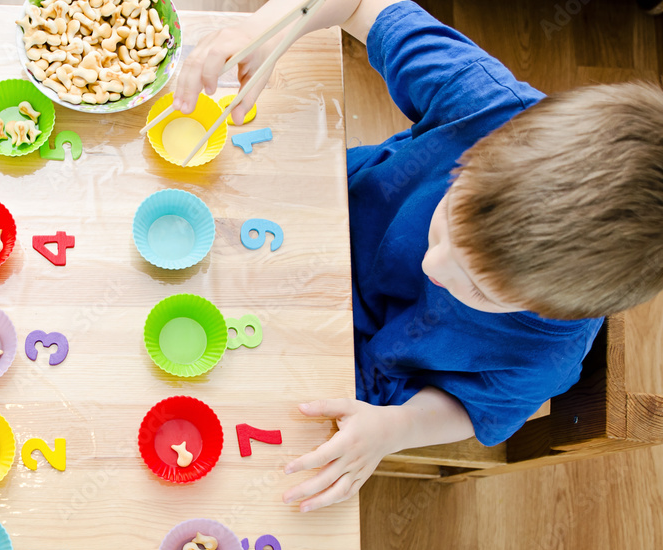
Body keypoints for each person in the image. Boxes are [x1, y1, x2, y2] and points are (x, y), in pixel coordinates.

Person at [173, 0, 663, 512]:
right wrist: (271, 27)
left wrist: (395, 428)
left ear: (552, 311)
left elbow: (473, 408)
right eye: (449, 219)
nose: (434, 267)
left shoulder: (546, 353)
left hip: (360, 372)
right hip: (318, 220)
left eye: (480, 287)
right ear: (481, 153)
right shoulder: (488, 107)